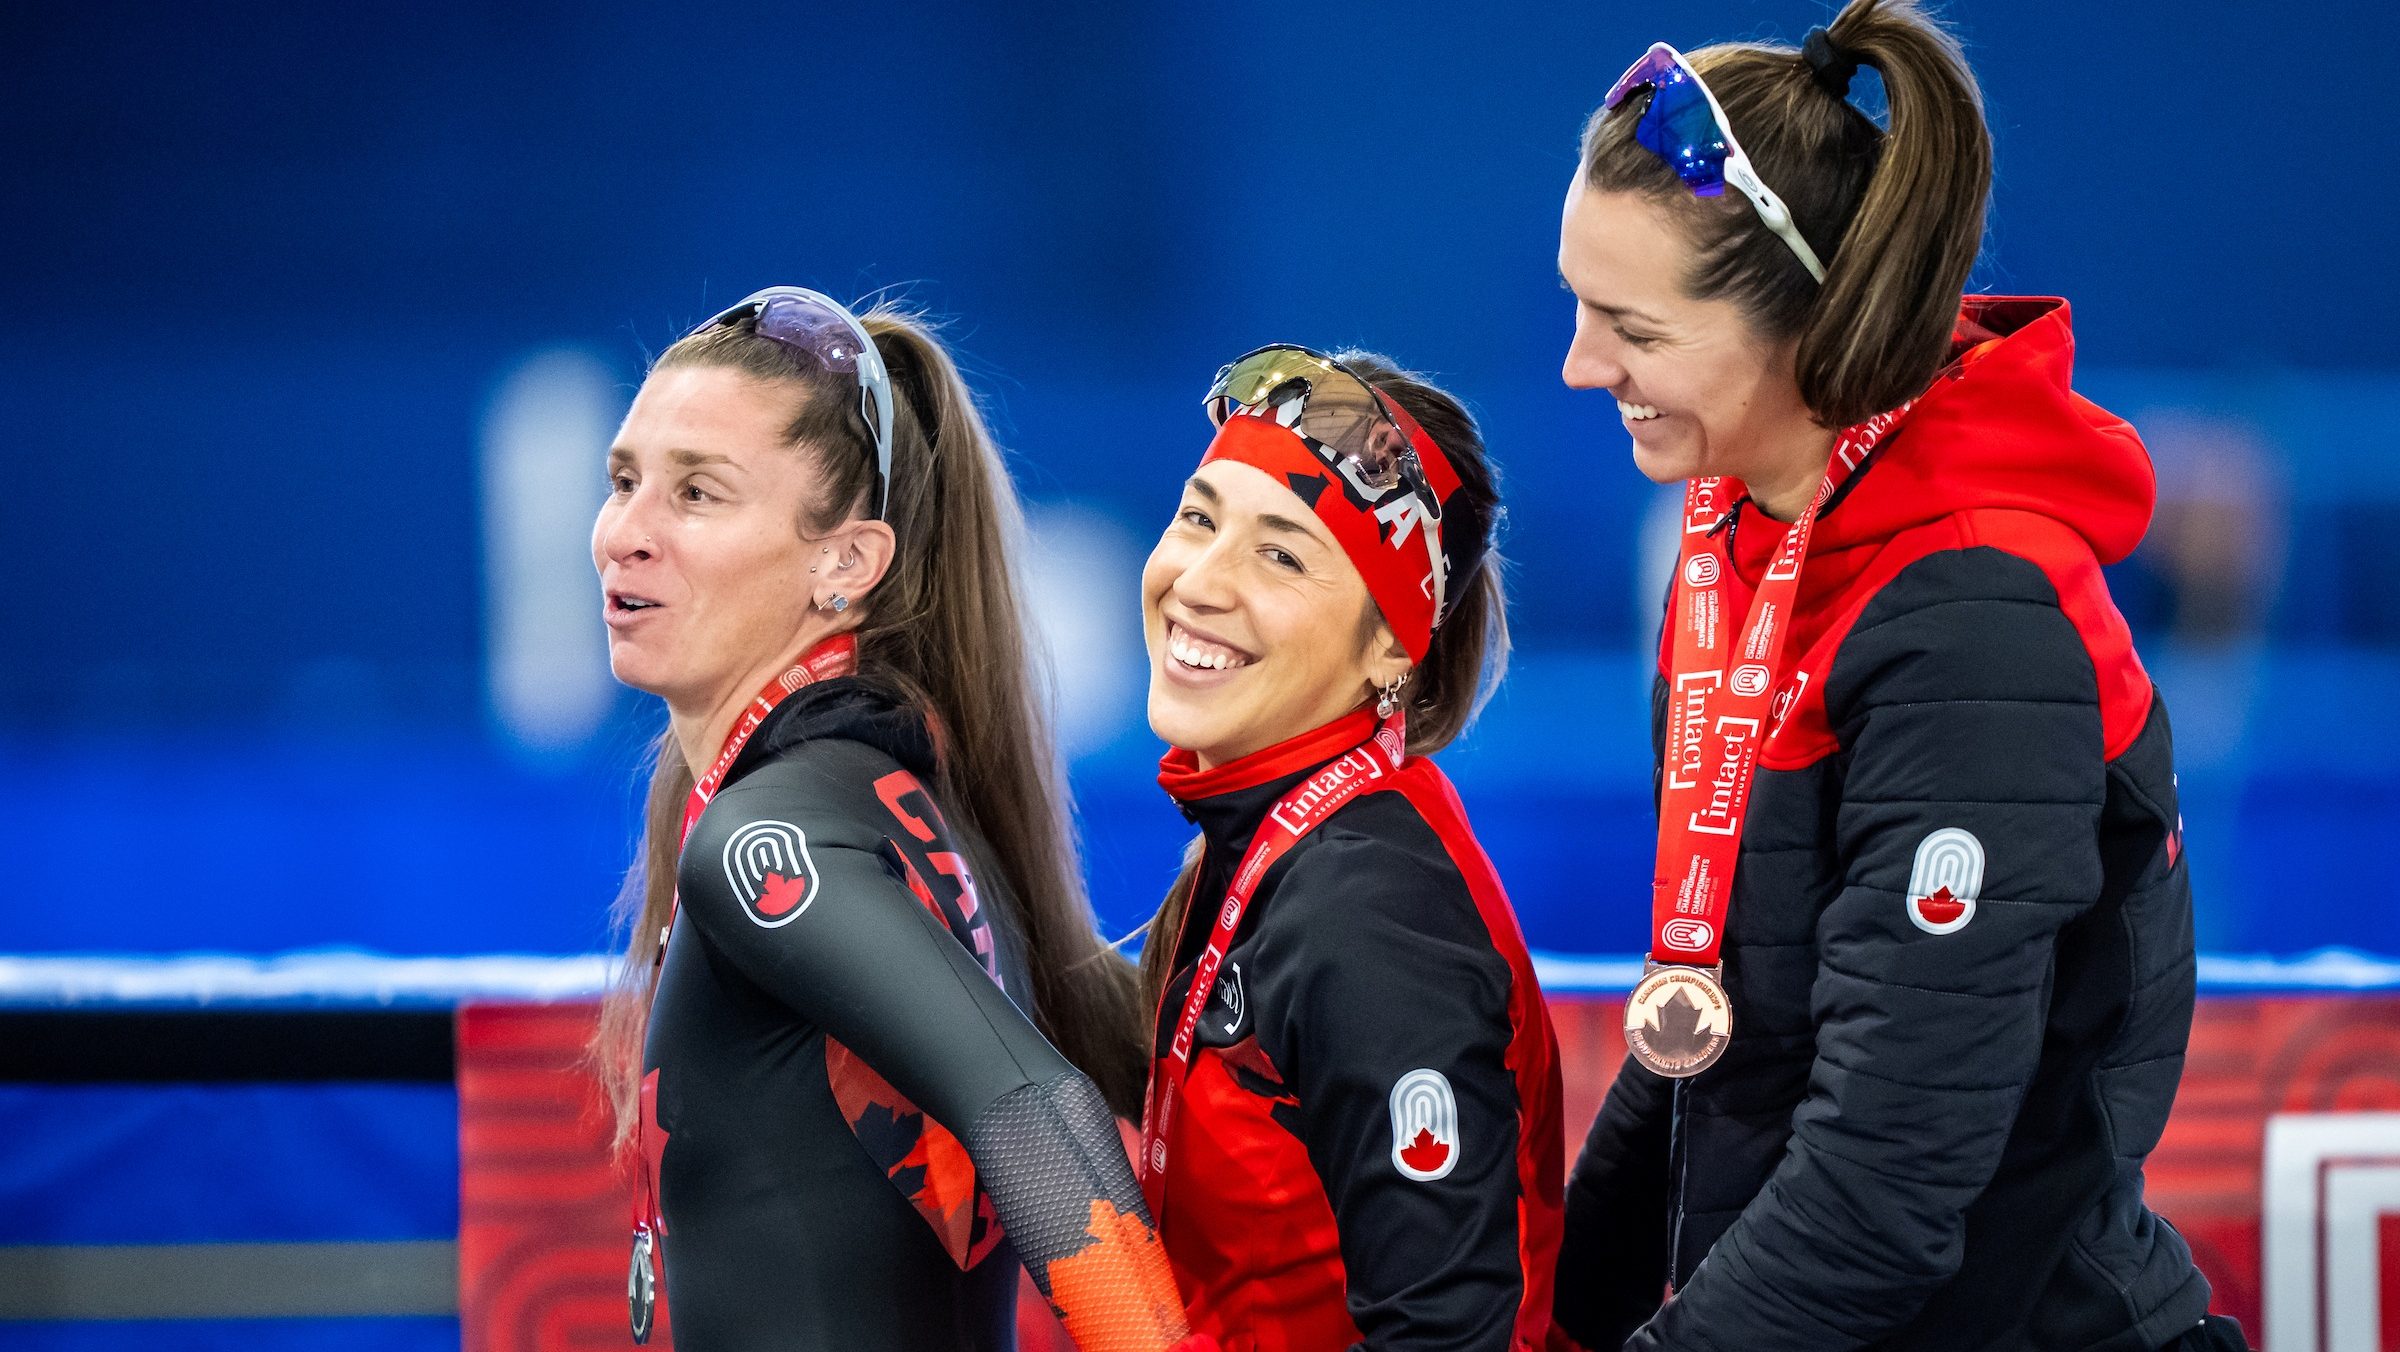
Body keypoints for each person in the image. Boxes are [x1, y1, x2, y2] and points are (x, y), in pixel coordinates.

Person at [1548, 3, 2245, 1350]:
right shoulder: (1741, 531)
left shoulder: (1973, 621)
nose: (1582, 367)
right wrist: (1567, 1321)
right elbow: (1718, 1026)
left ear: (1802, 321)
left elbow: (1889, 1182)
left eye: (1626, 324)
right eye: (1575, 306)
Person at [588, 286, 1200, 1352]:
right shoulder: (891, 797)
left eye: (696, 492)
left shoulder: (764, 842)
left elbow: (1038, 1114)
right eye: (625, 480)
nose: (624, 535)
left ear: (847, 562)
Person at [1133, 344, 1564, 1350]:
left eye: (1280, 553)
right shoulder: (1276, 841)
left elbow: (1447, 1330)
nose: (1199, 580)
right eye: (1200, 517)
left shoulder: (1371, 907)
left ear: (1390, 644)